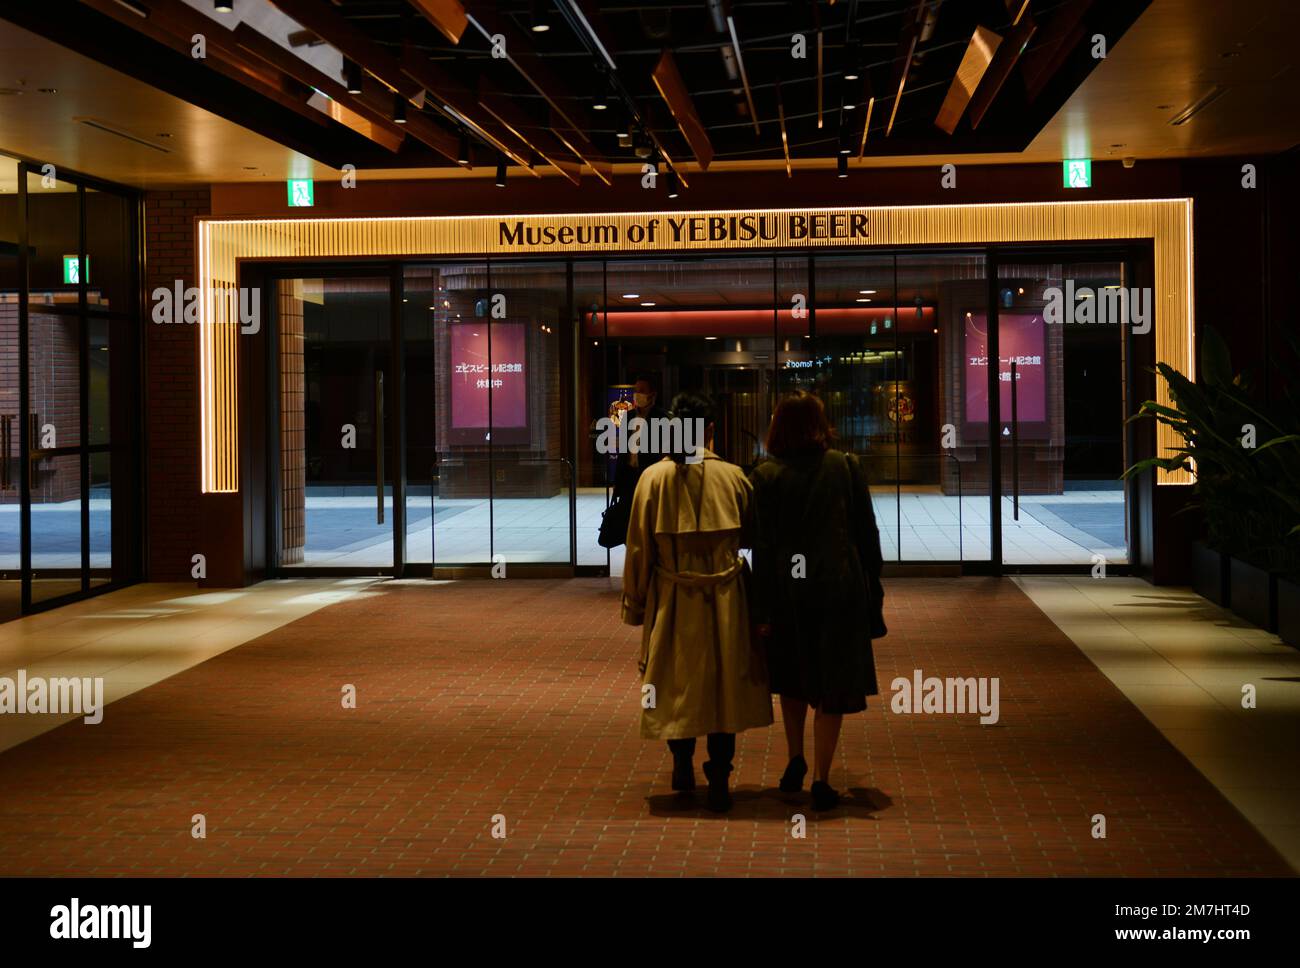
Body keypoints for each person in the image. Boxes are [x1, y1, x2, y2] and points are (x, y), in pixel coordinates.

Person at [621, 392, 773, 812]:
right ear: (709, 430)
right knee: (726, 683)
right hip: (727, 596)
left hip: (672, 595)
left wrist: (635, 605)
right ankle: (721, 775)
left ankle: (682, 763)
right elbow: (753, 539)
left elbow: (638, 550)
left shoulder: (652, 479)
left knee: (675, 681)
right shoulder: (736, 478)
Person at [749, 391, 886, 811]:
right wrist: (872, 585)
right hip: (838, 590)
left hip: (789, 591)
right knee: (833, 685)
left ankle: (795, 757)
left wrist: (763, 606)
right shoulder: (845, 467)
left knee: (791, 677)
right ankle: (823, 778)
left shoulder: (765, 476)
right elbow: (867, 534)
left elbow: (762, 546)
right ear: (820, 423)